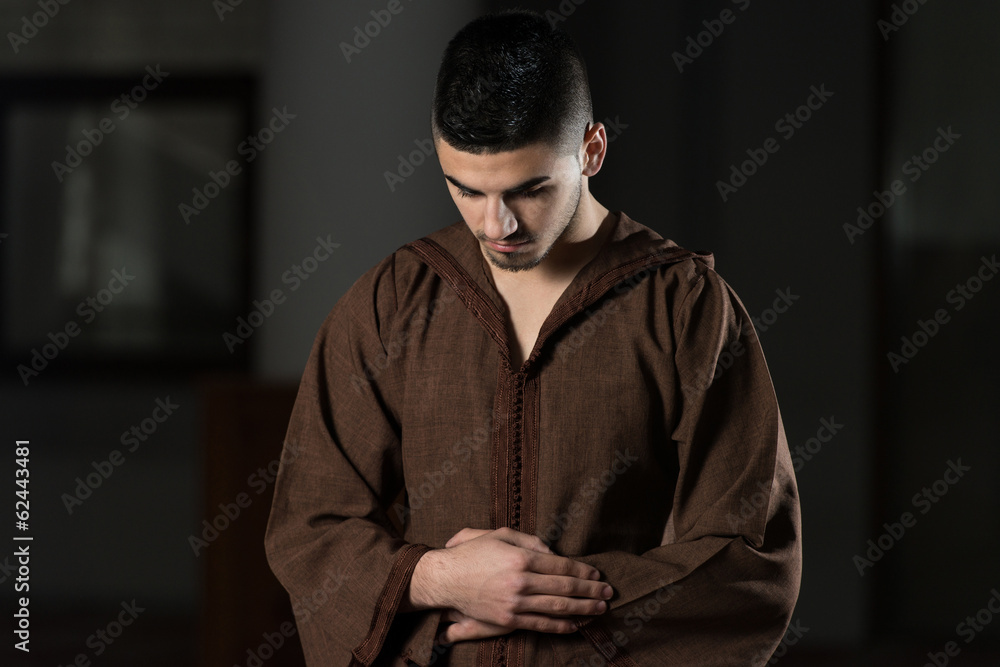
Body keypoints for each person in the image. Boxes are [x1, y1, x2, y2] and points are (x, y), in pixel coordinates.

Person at [265, 9, 801, 666]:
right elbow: (309, 525)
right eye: (465, 189)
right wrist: (439, 578)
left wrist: (549, 605)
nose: (496, 224)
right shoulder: (391, 299)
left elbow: (749, 554)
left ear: (592, 150)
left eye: (530, 189)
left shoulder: (687, 307)